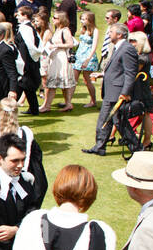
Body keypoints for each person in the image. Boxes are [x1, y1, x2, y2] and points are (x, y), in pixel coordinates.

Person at [84, 23, 138, 156]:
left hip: (118, 93)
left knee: (118, 122)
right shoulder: (118, 48)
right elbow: (118, 69)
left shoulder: (127, 49)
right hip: (112, 91)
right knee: (106, 120)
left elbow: (130, 73)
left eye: (111, 32)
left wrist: (125, 92)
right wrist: (102, 74)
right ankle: (100, 146)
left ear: (119, 35)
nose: (108, 34)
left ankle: (137, 148)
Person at [41, 12, 76, 111]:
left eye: (55, 18)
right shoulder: (57, 30)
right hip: (55, 57)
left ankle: (48, 106)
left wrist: (56, 46)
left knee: (56, 82)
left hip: (61, 57)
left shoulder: (65, 30)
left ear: (61, 19)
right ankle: (66, 103)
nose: (53, 19)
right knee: (56, 83)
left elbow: (70, 44)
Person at [73, 11, 100, 108]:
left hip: (88, 56)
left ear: (90, 20)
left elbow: (94, 46)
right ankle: (68, 101)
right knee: (74, 78)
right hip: (79, 54)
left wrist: (88, 59)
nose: (82, 21)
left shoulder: (95, 30)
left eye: (84, 19)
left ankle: (93, 101)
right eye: (81, 18)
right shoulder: (83, 29)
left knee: (87, 79)